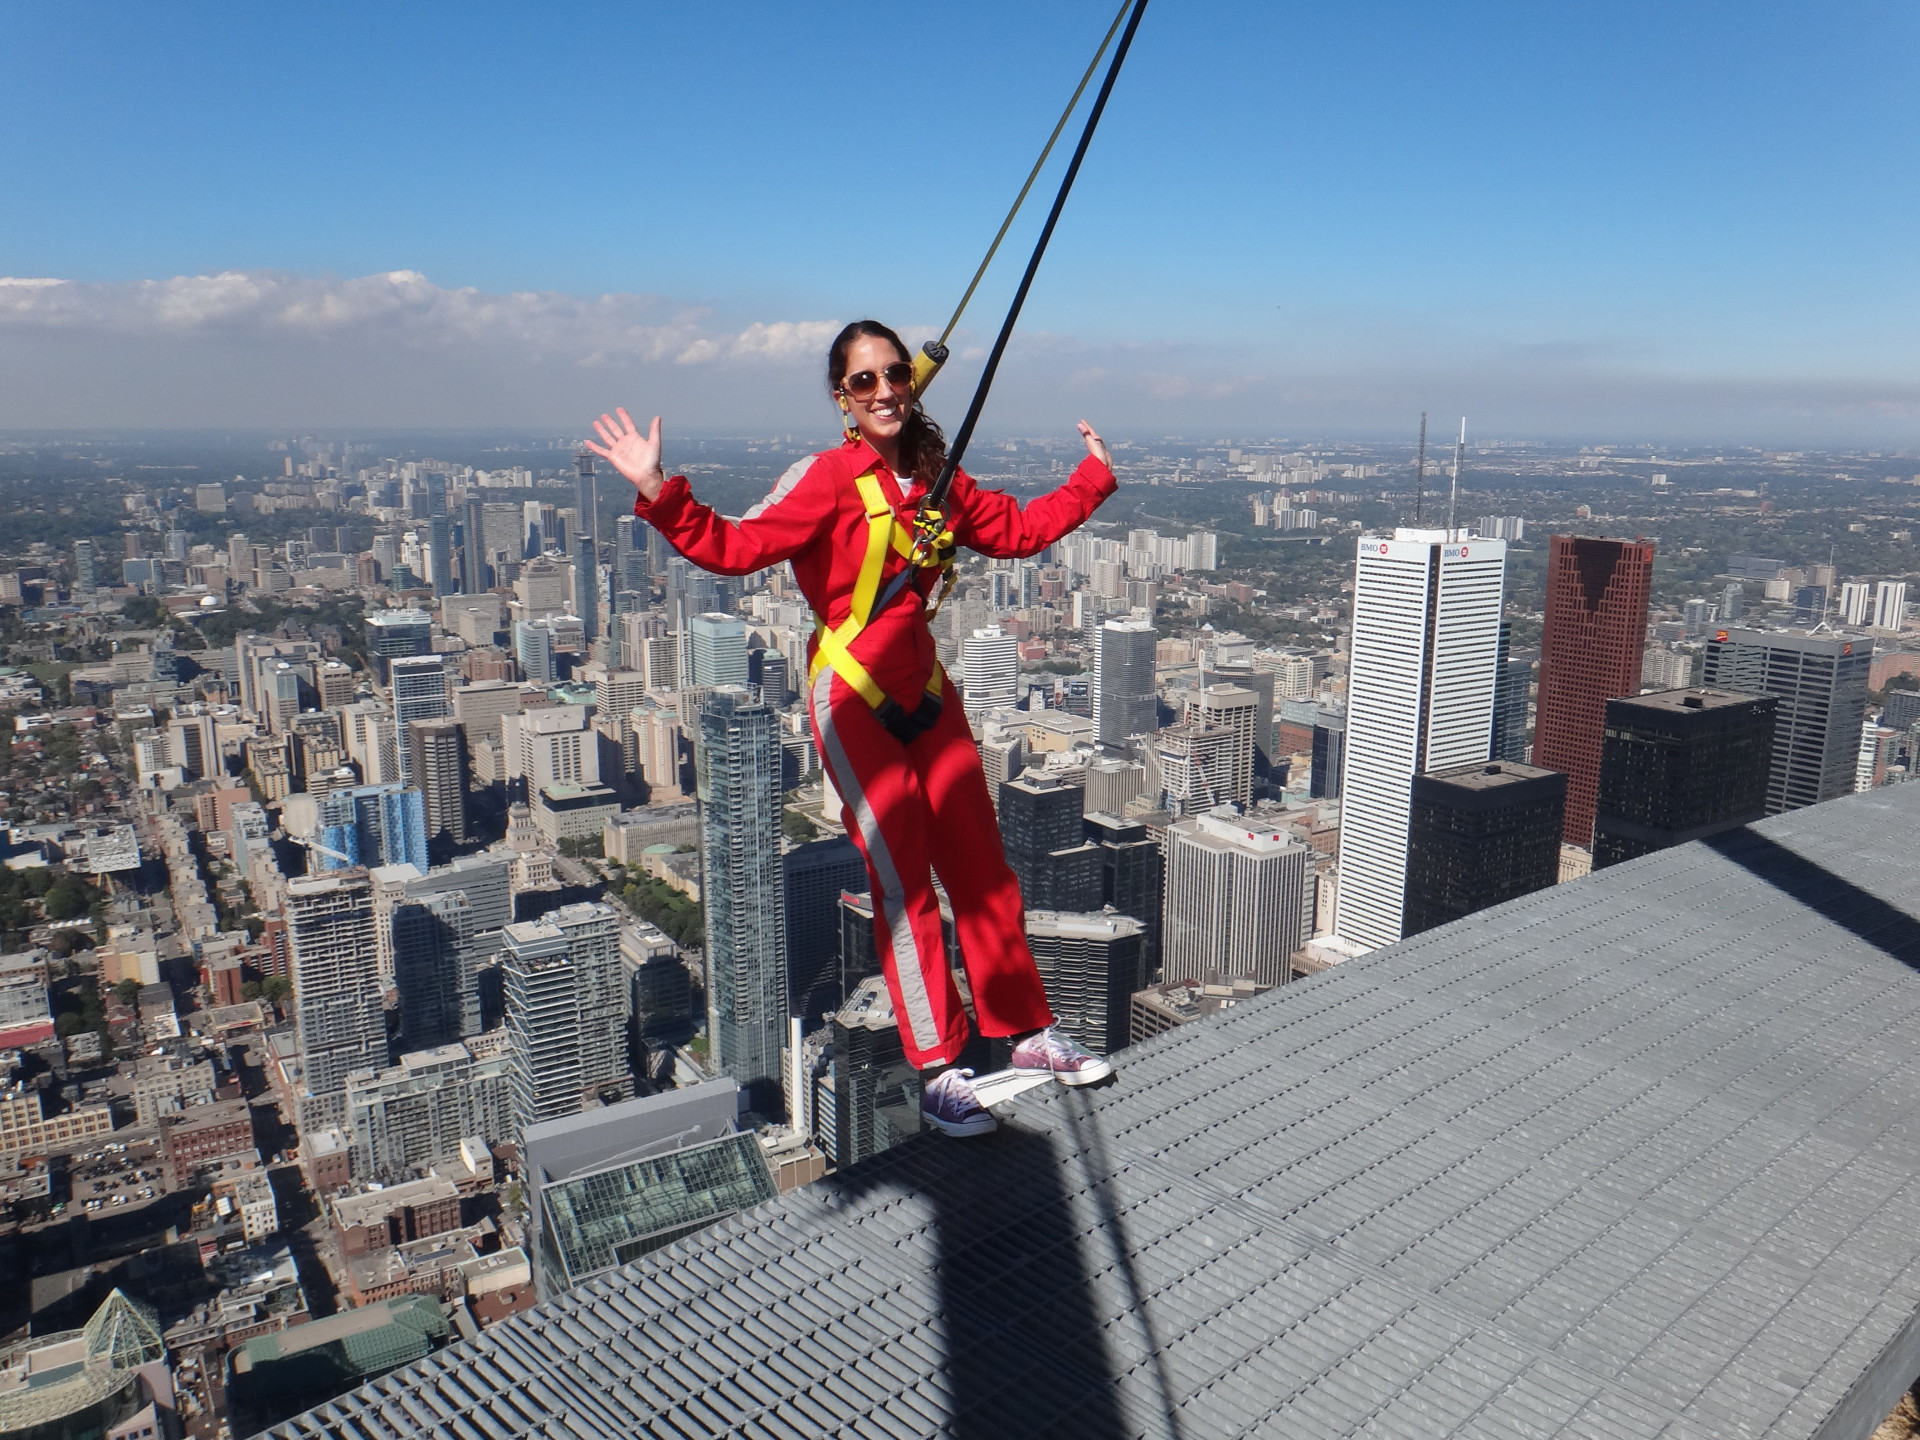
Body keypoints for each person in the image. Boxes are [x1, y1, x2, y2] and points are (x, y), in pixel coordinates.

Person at [586, 320, 1119, 1137]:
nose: (883, 391)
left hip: (928, 686)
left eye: (893, 374)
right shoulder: (827, 479)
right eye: (863, 381)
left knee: (979, 863)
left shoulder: (939, 478)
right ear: (842, 398)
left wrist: (1093, 478)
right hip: (852, 692)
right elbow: (739, 546)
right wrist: (661, 492)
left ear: (911, 380)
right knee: (904, 877)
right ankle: (940, 1066)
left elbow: (1018, 530)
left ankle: (1024, 1032)